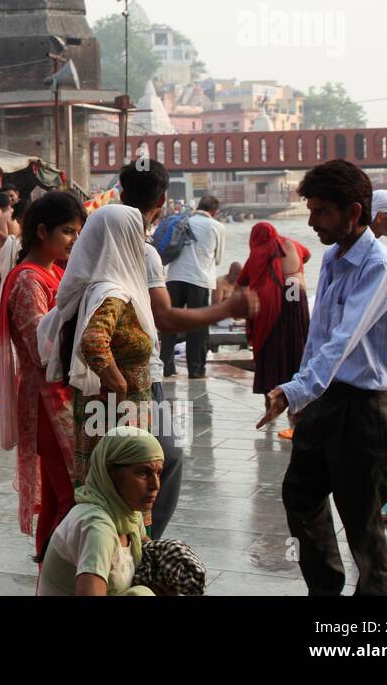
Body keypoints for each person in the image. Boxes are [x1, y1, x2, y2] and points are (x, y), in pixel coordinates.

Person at [257, 159, 387, 596]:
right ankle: (325, 588)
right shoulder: (333, 258)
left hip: (363, 408)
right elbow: (319, 336)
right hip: (325, 399)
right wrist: (303, 395)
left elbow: (343, 340)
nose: (312, 222)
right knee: (300, 496)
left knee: (362, 522)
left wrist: (295, 390)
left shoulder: (379, 266)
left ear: (354, 213)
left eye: (322, 212)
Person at [117, 159, 256, 538]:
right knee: (165, 457)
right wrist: (227, 308)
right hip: (138, 375)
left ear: (119, 194)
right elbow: (164, 317)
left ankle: (121, 540)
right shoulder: (142, 251)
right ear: (162, 201)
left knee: (122, 458)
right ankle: (143, 543)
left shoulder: (101, 241)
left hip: (112, 370)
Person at [0, 191, 85, 558]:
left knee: (58, 492)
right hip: (46, 399)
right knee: (68, 492)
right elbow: (39, 351)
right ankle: (61, 568)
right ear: (42, 232)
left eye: (78, 233)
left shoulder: (56, 273)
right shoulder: (29, 281)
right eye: (67, 232)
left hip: (62, 393)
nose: (74, 241)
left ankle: (51, 570)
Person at [45, 205, 158, 486]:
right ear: (124, 240)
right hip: (117, 419)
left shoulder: (97, 289)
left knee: (110, 500)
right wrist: (121, 389)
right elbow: (94, 342)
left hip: (107, 416)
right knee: (120, 500)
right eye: (137, 236)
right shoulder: (112, 292)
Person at [37, 426, 164, 596]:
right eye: (143, 473)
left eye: (159, 473)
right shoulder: (97, 527)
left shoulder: (127, 512)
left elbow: (152, 554)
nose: (155, 485)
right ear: (110, 472)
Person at [240, 222, 311, 440]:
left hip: (273, 304)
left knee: (270, 349)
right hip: (295, 295)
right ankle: (297, 405)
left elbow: (243, 280)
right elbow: (306, 255)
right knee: (296, 348)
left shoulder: (258, 253)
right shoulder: (292, 243)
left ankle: (270, 399)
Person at [160, 194, 226, 378]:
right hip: (199, 279)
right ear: (215, 211)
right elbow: (219, 259)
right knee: (197, 326)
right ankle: (196, 371)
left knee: (169, 323)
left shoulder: (184, 220)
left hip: (173, 277)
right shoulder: (217, 227)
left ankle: (166, 368)